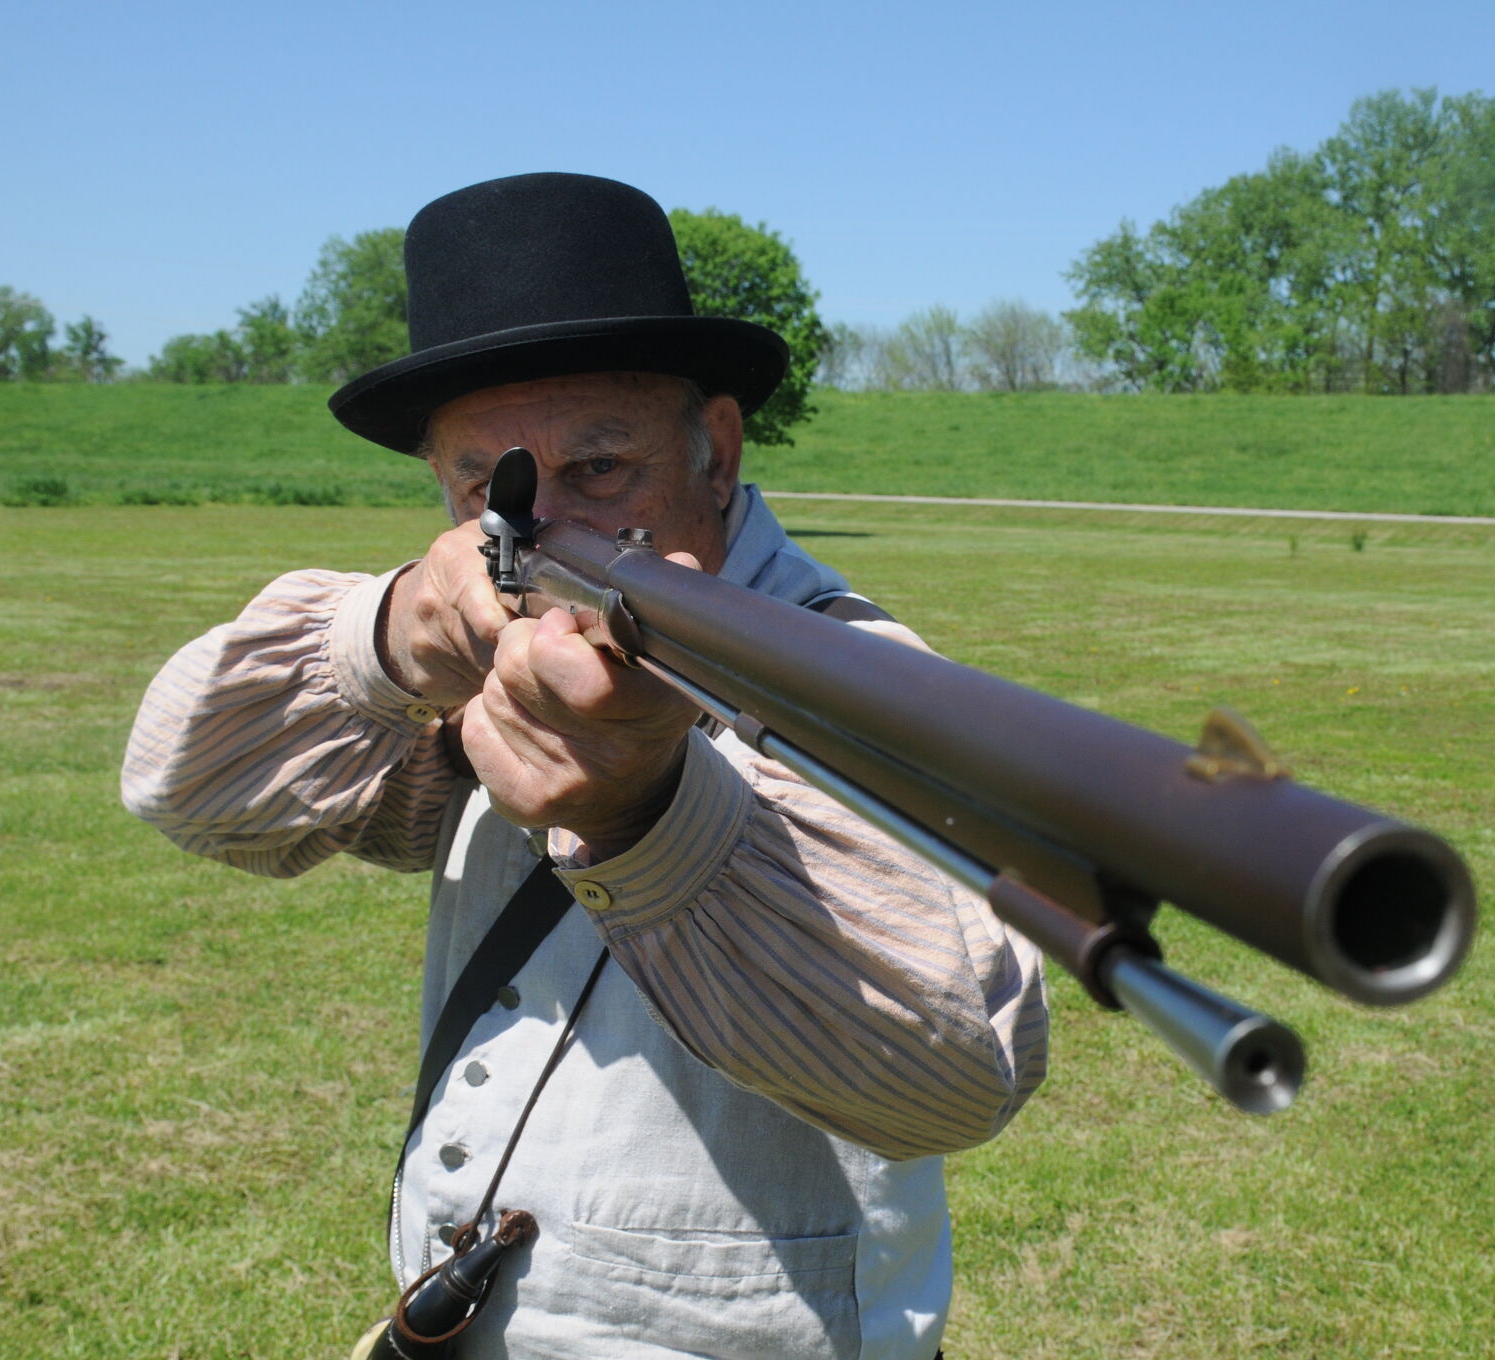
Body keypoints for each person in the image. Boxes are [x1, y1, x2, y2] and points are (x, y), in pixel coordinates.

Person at [122, 172, 1048, 1359]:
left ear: (713, 449)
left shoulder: (858, 679)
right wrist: (399, 636)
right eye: (490, 485)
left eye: (600, 469)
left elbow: (954, 1079)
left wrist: (646, 811)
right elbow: (183, 788)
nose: (544, 525)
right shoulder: (472, 647)